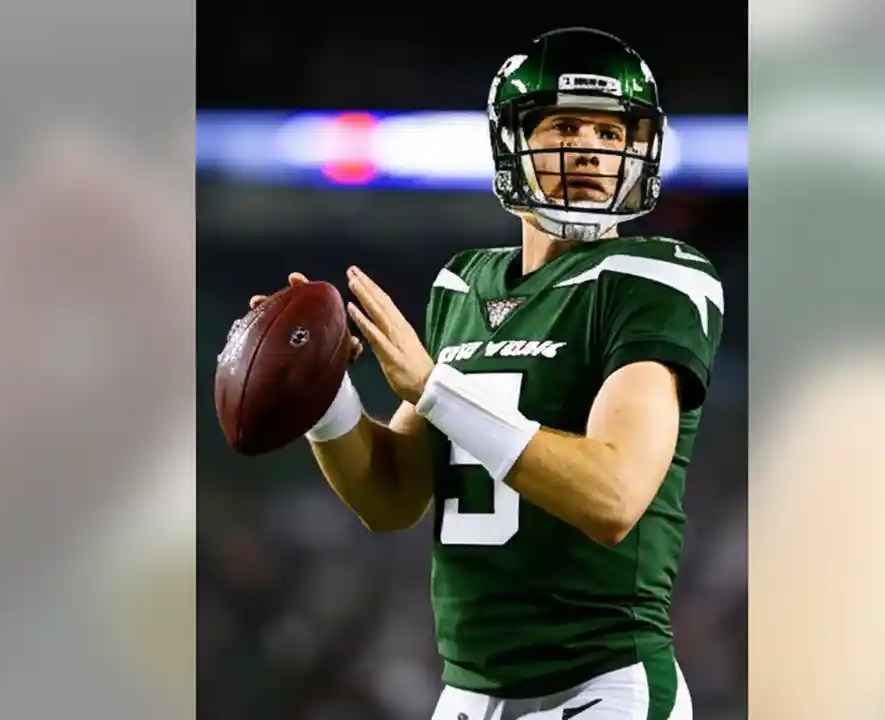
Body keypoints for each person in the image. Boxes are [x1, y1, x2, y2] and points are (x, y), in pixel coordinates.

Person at [248, 27, 723, 719]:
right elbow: (390, 497)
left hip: (599, 687)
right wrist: (323, 393)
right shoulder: (463, 285)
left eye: (612, 131)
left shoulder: (656, 279)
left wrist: (437, 389)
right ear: (513, 141)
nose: (591, 147)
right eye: (565, 124)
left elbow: (615, 497)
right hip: (470, 693)